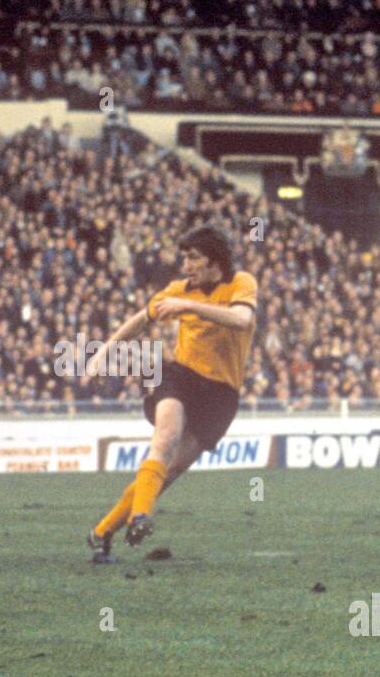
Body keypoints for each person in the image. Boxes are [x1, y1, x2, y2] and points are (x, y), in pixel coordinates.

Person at [83, 226, 257, 562]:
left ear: (214, 259)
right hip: (182, 377)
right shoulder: (178, 291)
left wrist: (188, 307)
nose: (186, 264)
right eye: (184, 257)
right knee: (166, 436)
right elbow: (140, 320)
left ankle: (102, 532)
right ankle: (140, 517)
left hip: (222, 393)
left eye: (193, 257)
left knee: (171, 470)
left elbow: (240, 319)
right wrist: (104, 352)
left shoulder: (241, 283)